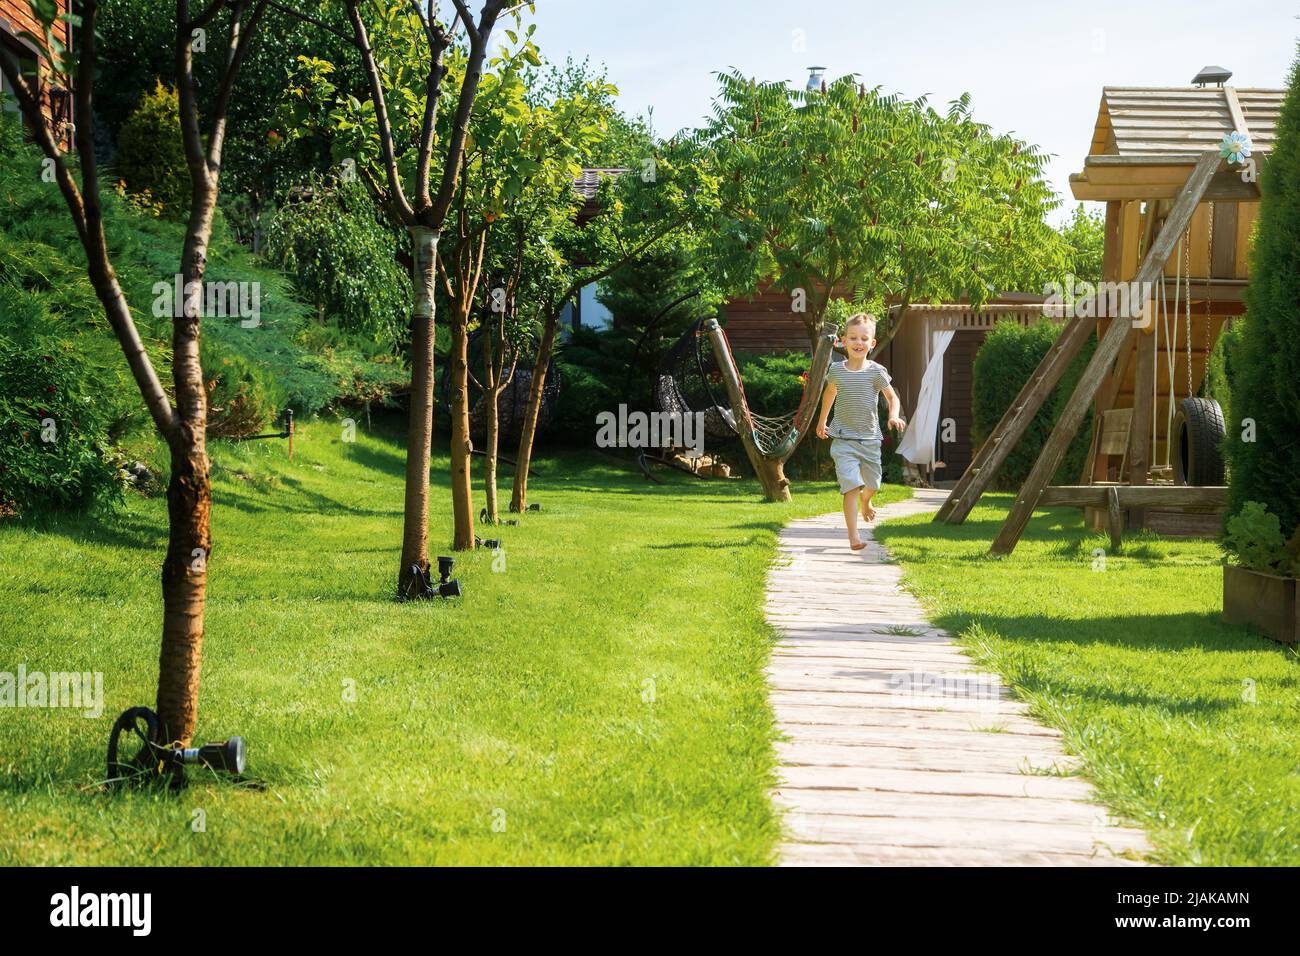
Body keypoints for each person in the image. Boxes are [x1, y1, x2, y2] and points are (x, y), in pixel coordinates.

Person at [815, 313, 906, 550]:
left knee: (873, 485)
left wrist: (894, 415)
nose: (858, 343)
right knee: (851, 486)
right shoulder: (837, 370)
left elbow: (891, 397)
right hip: (843, 439)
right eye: (853, 338)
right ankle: (854, 536)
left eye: (864, 338)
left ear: (872, 343)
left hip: (869, 440)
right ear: (843, 341)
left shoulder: (876, 372)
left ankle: (867, 500)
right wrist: (822, 421)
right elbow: (829, 395)